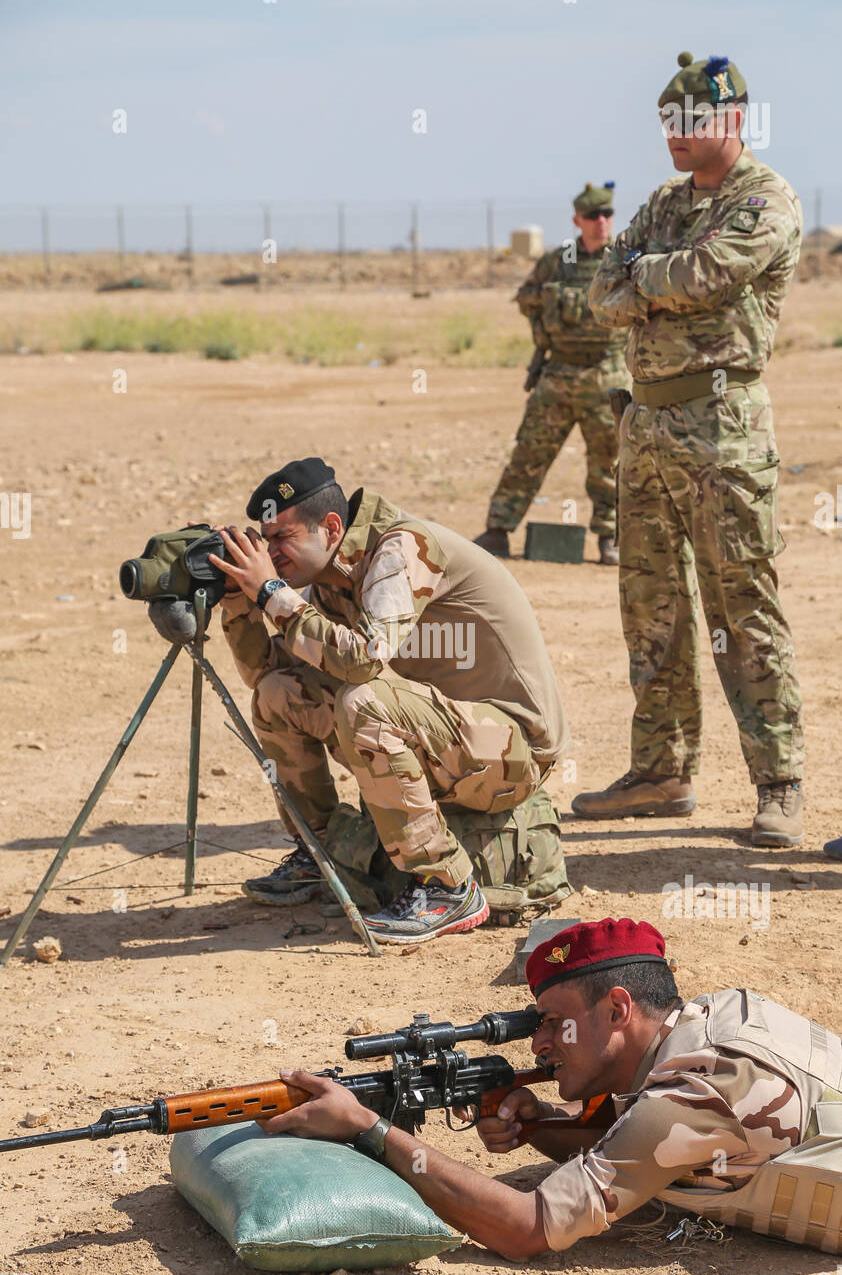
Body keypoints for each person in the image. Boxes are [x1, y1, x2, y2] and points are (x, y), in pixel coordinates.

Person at [263, 917, 842, 1259]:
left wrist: (370, 1129)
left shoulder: (696, 1093)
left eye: (551, 1021)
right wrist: (538, 1121)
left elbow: (526, 1229)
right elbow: (633, 1150)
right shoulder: (709, 1020)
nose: (538, 1044)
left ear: (618, 1008)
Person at [572, 53, 804, 848]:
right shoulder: (664, 203)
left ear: (734, 120)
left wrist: (645, 277)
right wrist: (638, 279)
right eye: (669, 122)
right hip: (647, 430)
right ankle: (661, 772)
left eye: (693, 122)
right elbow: (601, 292)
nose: (677, 135)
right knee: (651, 608)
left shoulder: (765, 200)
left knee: (741, 608)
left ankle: (779, 782)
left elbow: (712, 272)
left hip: (724, 430)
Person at [208, 457, 568, 945]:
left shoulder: (403, 549)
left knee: (363, 699)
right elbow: (265, 676)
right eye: (265, 540)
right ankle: (319, 854)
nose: (271, 553)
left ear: (332, 527)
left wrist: (271, 591)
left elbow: (361, 663)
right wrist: (238, 600)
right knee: (279, 695)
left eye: (281, 538)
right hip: (449, 737)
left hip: (514, 751)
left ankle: (446, 887)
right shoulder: (332, 575)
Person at [474, 182, 630, 566]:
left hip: (607, 374)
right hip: (558, 373)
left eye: (607, 214)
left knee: (611, 463)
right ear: (578, 219)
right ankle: (498, 530)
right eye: (593, 216)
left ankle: (610, 538)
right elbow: (527, 298)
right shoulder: (560, 261)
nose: (601, 222)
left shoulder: (622, 260)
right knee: (529, 453)